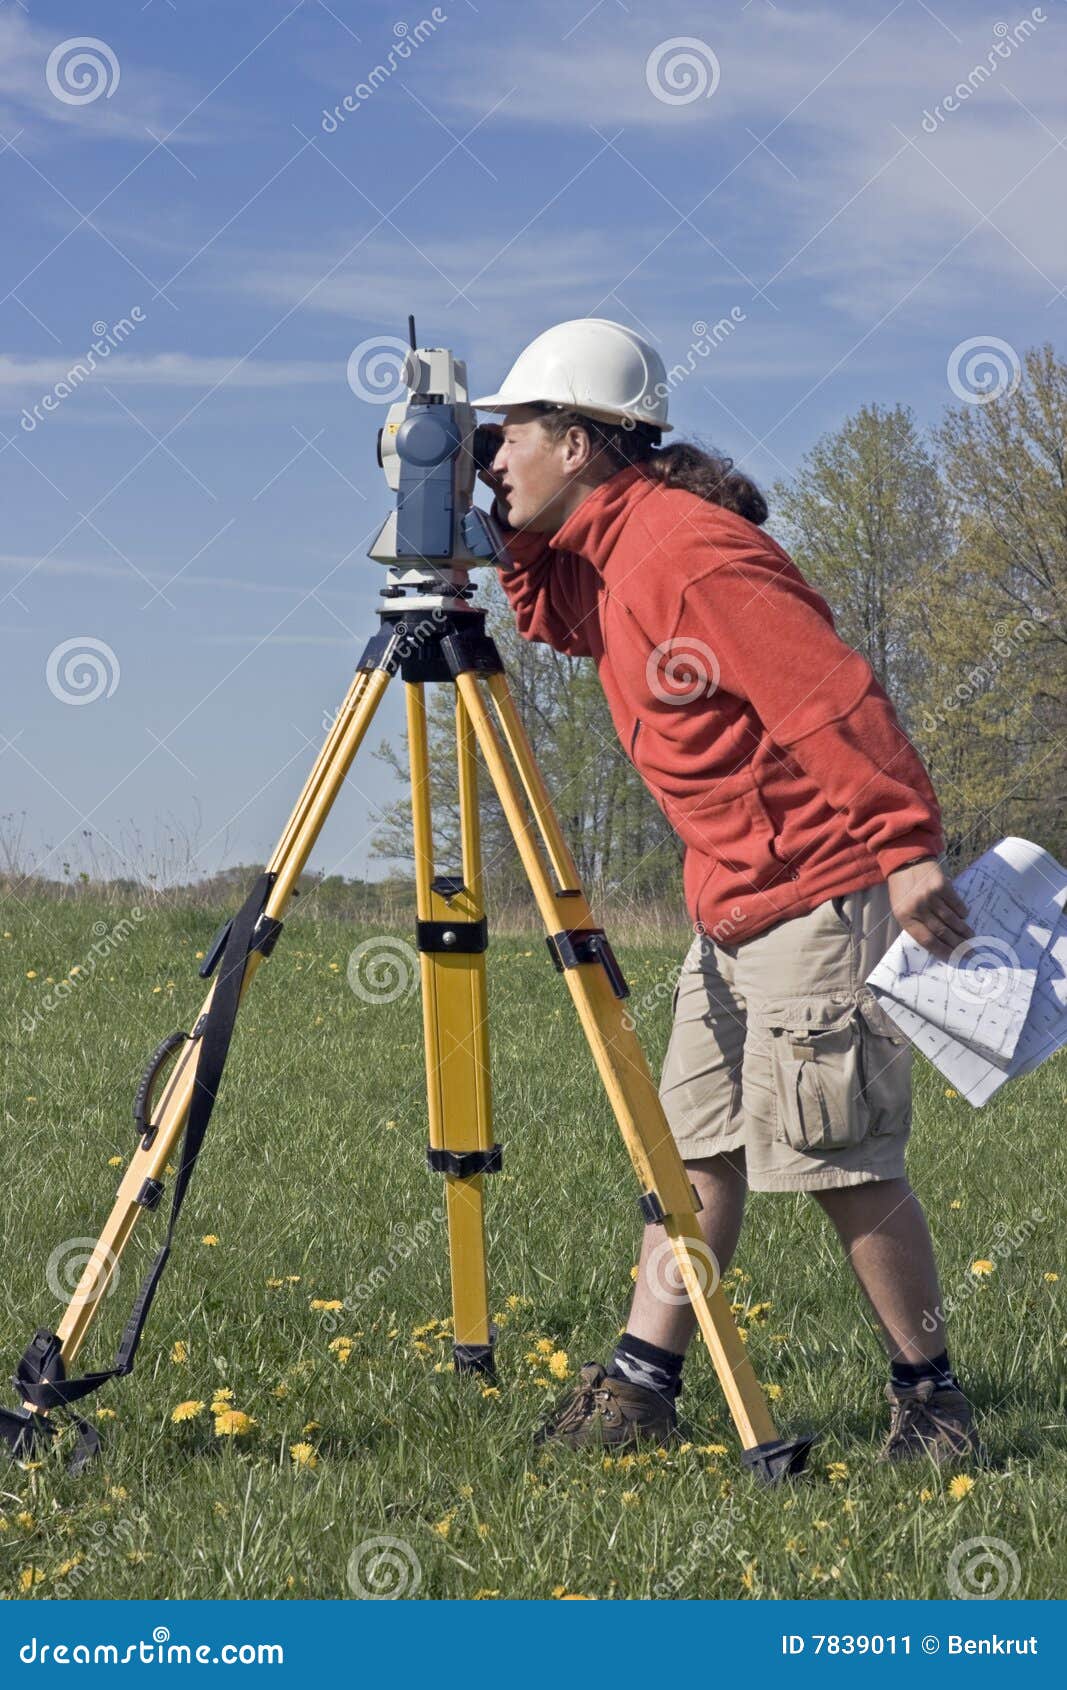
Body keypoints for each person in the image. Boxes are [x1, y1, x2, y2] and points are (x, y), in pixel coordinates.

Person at [469, 318, 983, 1465]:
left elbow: (826, 696)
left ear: (578, 441)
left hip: (815, 891)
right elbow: (556, 619)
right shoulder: (609, 551)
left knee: (841, 1160)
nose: (493, 457)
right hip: (731, 903)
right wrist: (499, 532)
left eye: (508, 436)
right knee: (690, 1152)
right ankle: (641, 1386)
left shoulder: (687, 551)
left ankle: (932, 1399)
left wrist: (905, 848)